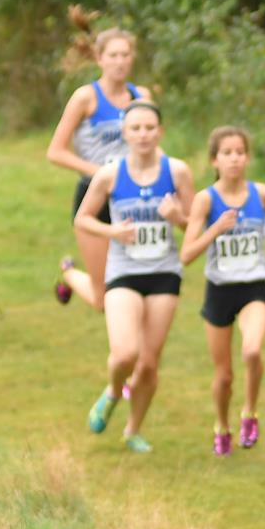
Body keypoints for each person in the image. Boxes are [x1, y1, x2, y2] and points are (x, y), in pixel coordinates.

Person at [76, 101, 194, 452]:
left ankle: (132, 430)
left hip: (164, 273)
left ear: (160, 132)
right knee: (126, 353)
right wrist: (113, 233)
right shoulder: (110, 174)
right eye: (135, 129)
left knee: (149, 363)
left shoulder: (178, 172)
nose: (143, 135)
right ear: (124, 133)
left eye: (149, 128)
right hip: (124, 272)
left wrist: (178, 218)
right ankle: (113, 391)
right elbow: (83, 218)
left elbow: (196, 226)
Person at [180, 126, 265, 455]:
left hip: (253, 287)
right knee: (223, 376)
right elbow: (187, 254)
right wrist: (216, 229)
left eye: (240, 152)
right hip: (219, 291)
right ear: (214, 160)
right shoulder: (205, 199)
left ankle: (250, 413)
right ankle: (221, 426)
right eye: (227, 153)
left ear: (247, 157)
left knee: (252, 351)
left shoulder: (262, 193)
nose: (235, 158)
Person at [46, 14, 143, 308]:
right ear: (99, 59)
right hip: (94, 199)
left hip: (132, 199)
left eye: (125, 55)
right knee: (103, 299)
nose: (120, 61)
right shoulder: (86, 98)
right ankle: (69, 273)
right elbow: (56, 151)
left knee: (138, 287)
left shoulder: (142, 97)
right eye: (113, 55)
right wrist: (101, 173)